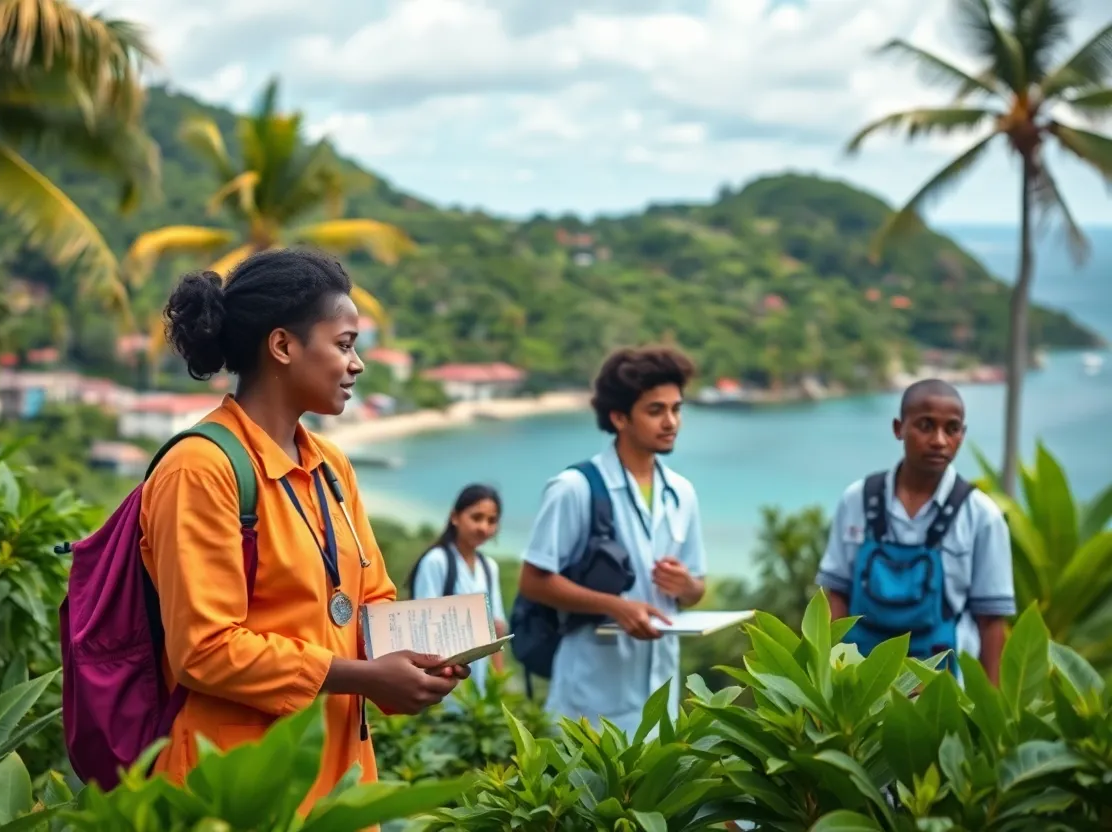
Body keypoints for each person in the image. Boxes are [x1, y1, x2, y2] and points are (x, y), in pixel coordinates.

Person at [140, 248, 468, 813]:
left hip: (338, 783)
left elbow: (369, 601)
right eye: (344, 344)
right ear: (284, 346)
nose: (358, 363)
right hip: (239, 788)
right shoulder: (201, 469)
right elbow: (205, 649)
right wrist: (365, 677)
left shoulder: (332, 467)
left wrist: (422, 659)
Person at [517, 346, 707, 736]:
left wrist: (687, 586)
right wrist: (614, 606)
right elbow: (533, 581)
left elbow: (695, 590)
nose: (671, 421)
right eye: (656, 410)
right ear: (620, 417)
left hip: (660, 698)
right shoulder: (574, 488)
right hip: (589, 700)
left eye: (676, 408)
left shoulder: (681, 493)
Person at [814, 379, 1015, 684]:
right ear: (899, 428)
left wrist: (991, 716)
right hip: (860, 681)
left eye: (952, 429)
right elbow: (836, 595)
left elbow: (991, 622)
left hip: (943, 685)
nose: (939, 440)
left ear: (962, 434)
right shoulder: (858, 500)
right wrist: (827, 680)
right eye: (925, 425)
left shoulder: (981, 516)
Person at [406, 484, 510, 693]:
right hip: (441, 685)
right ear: (455, 517)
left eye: (491, 520)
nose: (483, 527)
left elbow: (497, 635)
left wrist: (497, 688)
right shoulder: (437, 561)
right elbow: (423, 628)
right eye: (476, 517)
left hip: (477, 689)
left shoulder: (489, 568)